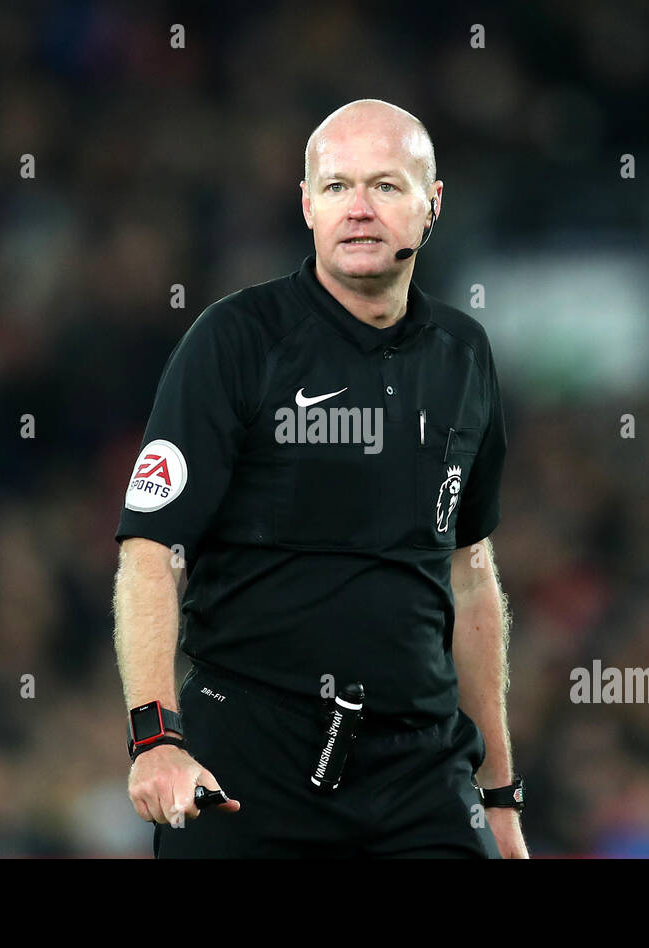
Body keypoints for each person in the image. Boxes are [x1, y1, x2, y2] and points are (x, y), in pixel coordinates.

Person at [113, 98, 527, 858]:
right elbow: (150, 552)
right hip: (250, 760)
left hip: (421, 770)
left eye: (387, 186)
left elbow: (470, 574)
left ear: (433, 204)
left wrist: (499, 794)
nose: (359, 209)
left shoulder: (465, 355)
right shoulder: (235, 341)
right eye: (337, 187)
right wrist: (155, 739)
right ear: (306, 205)